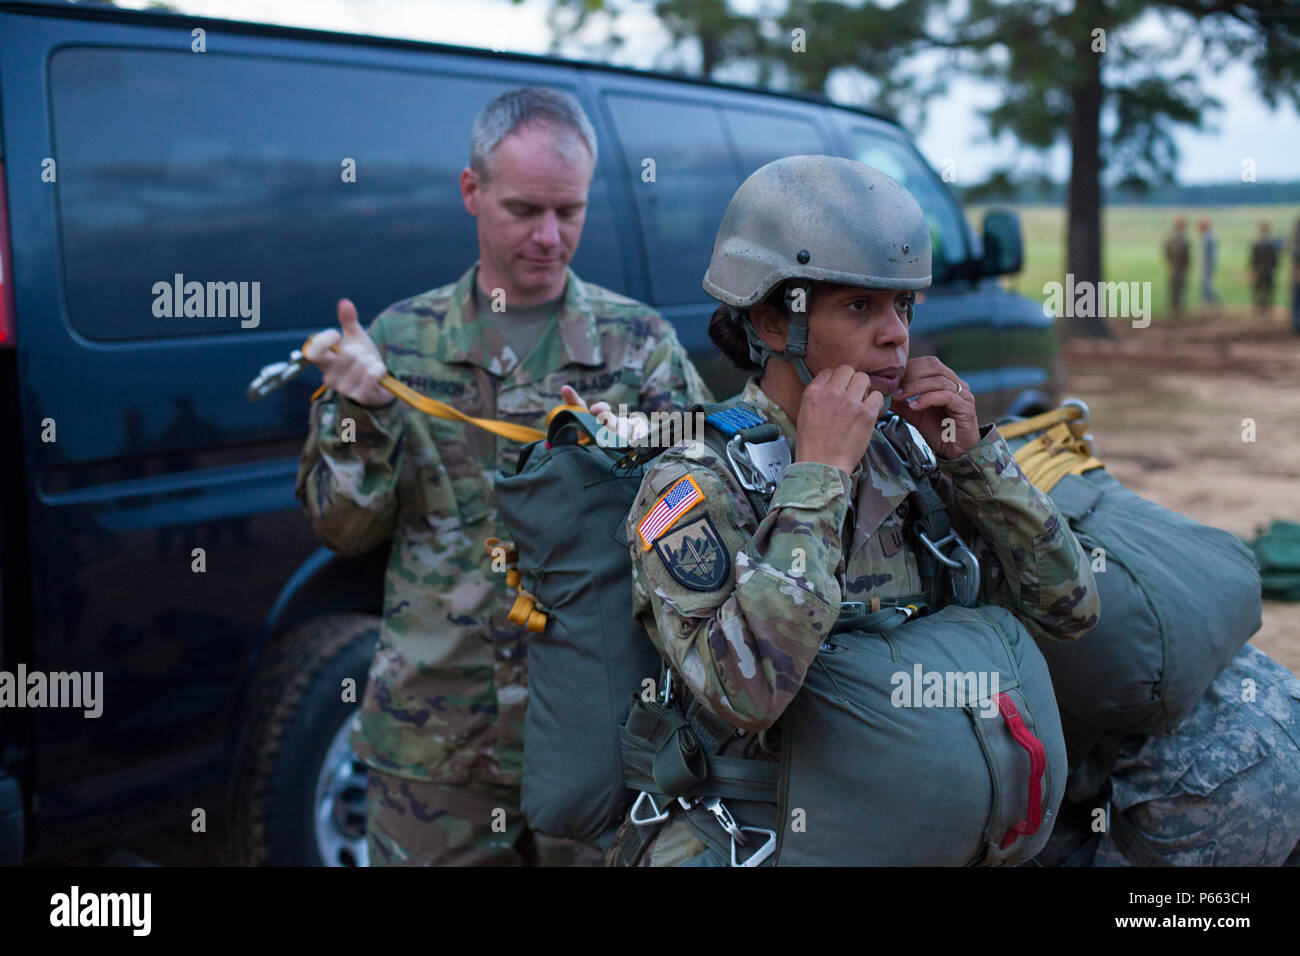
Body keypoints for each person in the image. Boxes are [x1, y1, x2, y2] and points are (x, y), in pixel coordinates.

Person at [610, 155, 1100, 866]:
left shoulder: (908, 450)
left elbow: (1070, 607)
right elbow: (744, 695)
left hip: (906, 822)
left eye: (904, 306)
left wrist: (974, 461)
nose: (897, 334)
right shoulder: (692, 485)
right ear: (775, 323)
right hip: (764, 833)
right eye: (860, 307)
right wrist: (818, 476)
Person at [295, 88, 712, 866]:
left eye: (570, 210)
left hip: (600, 736)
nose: (550, 237)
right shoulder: (400, 344)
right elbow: (345, 529)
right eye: (524, 210)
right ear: (472, 191)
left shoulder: (639, 344)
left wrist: (649, 457)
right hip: (438, 742)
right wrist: (356, 412)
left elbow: (703, 516)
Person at [1250, 221, 1280, 318]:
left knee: (1258, 290)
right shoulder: (1271, 243)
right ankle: (1267, 310)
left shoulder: (1257, 243)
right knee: (1268, 290)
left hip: (1259, 269)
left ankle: (1258, 309)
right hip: (1268, 270)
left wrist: (1253, 270)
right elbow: (1275, 258)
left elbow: (1253, 259)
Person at [1164, 217, 1190, 319]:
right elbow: (1187, 256)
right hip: (1180, 268)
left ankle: (1173, 310)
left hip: (1173, 267)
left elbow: (1166, 251)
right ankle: (1177, 311)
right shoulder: (1183, 240)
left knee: (1174, 290)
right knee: (1179, 289)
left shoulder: (1171, 238)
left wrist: (1169, 263)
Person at [1198, 216, 1219, 307]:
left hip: (1208, 264)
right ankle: (1210, 303)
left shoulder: (1208, 237)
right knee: (1206, 285)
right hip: (1207, 264)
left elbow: (1209, 254)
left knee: (1206, 286)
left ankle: (1213, 304)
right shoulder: (1209, 235)